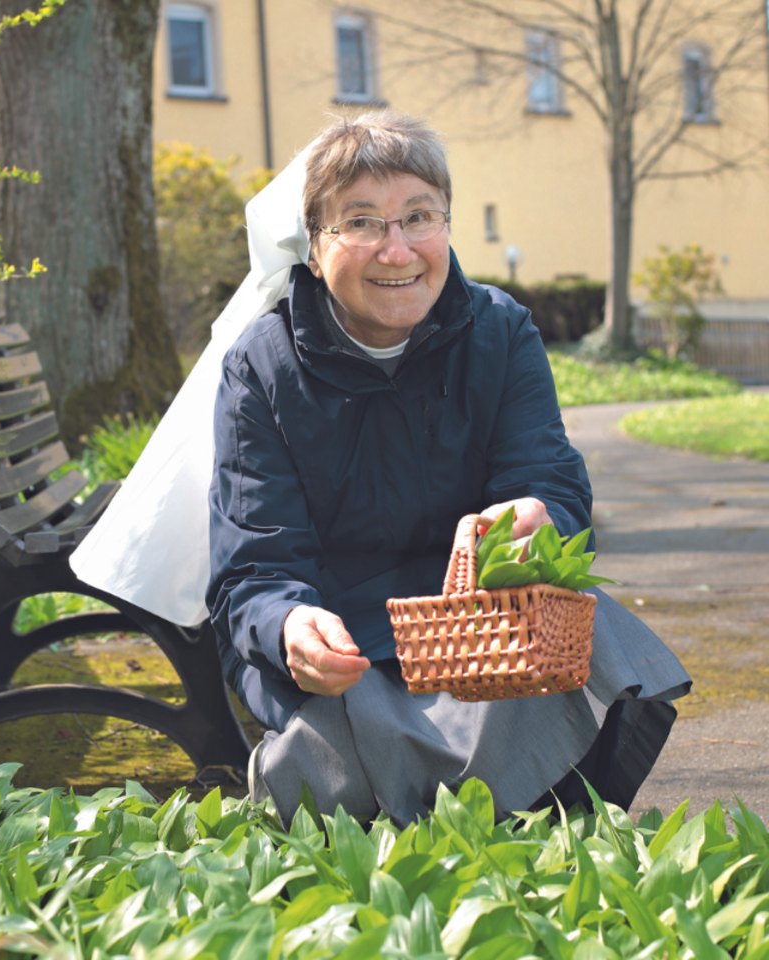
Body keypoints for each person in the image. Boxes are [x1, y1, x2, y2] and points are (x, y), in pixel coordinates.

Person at [205, 110, 691, 829]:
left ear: (447, 227)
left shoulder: (501, 332)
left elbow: (552, 484)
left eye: (419, 217)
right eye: (361, 222)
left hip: (479, 629)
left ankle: (443, 807)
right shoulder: (261, 369)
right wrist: (289, 626)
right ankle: (467, 804)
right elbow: (252, 566)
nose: (396, 250)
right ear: (314, 248)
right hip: (343, 639)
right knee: (361, 717)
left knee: (592, 645)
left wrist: (536, 521)